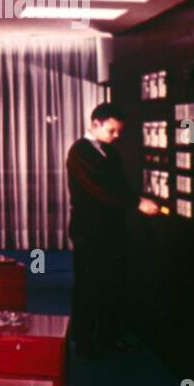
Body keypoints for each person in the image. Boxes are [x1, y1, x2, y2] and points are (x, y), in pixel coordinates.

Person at [66, 102, 159, 356]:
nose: (116, 136)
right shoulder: (79, 152)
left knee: (112, 286)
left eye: (119, 131)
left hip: (111, 230)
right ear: (95, 124)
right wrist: (137, 203)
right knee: (88, 287)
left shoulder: (109, 151)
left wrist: (136, 199)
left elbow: (121, 185)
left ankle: (108, 338)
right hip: (89, 232)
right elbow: (99, 191)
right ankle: (84, 343)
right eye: (112, 130)